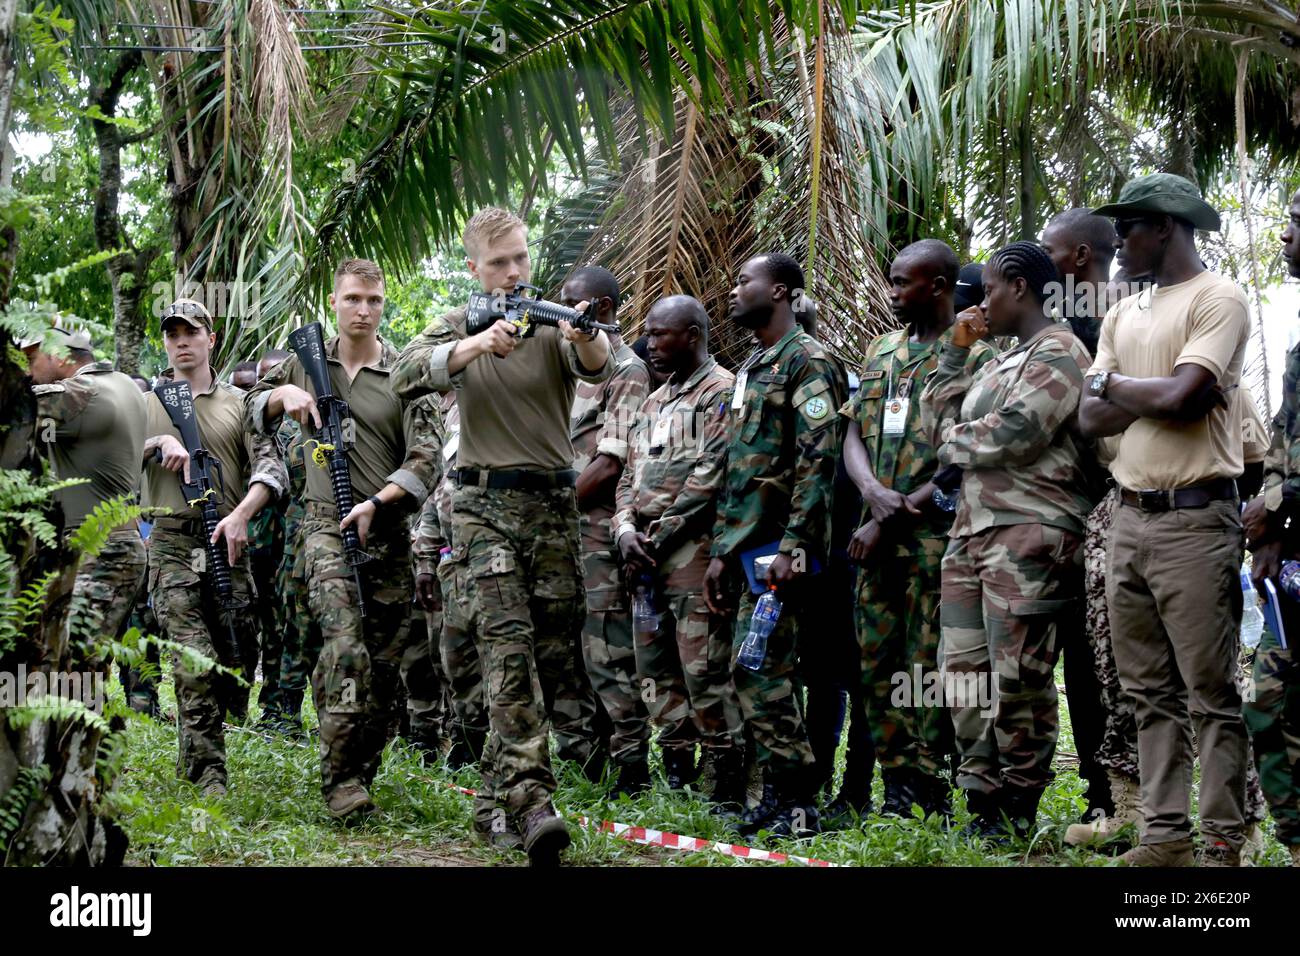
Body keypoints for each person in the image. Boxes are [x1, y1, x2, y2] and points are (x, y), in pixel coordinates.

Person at [390, 207, 612, 865]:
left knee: (546, 651)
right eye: (498, 264)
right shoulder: (460, 323)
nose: (513, 273)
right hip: (482, 507)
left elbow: (598, 364)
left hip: (552, 507)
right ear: (474, 269)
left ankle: (495, 798)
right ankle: (536, 802)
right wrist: (473, 347)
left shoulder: (550, 318)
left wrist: (581, 334)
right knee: (506, 650)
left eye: (520, 258)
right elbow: (404, 374)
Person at [1079, 173, 1251, 866]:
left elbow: (1184, 395)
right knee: (1146, 690)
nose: (1118, 242)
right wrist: (1145, 392)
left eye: (1129, 228)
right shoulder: (1123, 314)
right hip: (1129, 519)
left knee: (1210, 692)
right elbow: (1089, 416)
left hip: (1196, 521)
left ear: (1167, 227)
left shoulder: (1220, 299)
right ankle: (1165, 836)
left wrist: (1116, 386)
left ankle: (1220, 844)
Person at [245, 259, 439, 819]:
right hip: (324, 525)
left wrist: (381, 501)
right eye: (353, 298)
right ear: (334, 301)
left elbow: (428, 458)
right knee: (345, 649)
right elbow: (248, 409)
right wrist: (283, 396)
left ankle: (361, 768)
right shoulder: (303, 363)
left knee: (382, 665)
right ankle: (340, 783)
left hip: (387, 529)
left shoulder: (405, 372)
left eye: (374, 301)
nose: (364, 310)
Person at [921, 241, 1093, 840]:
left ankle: (1018, 803)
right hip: (971, 532)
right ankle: (981, 800)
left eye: (990, 288)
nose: (981, 302)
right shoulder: (995, 361)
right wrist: (956, 353)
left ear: (1019, 287)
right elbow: (932, 422)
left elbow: (1019, 433)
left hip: (1030, 531)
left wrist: (954, 440)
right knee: (962, 672)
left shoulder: (1063, 351)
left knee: (1016, 672)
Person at [842, 240, 996, 820]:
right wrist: (873, 495)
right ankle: (897, 781)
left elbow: (970, 450)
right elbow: (851, 431)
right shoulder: (882, 349)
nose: (893, 293)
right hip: (874, 532)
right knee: (877, 660)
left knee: (929, 663)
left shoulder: (977, 354)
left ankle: (931, 781)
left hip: (936, 538)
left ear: (937, 285)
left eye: (903, 283)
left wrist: (901, 506)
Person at [704, 252, 846, 838]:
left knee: (761, 671)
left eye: (745, 282)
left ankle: (796, 800)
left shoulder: (808, 361)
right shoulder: (755, 365)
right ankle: (786, 795)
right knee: (755, 669)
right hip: (745, 548)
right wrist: (718, 552)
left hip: (782, 551)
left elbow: (819, 460)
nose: (734, 290)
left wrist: (796, 545)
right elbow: (737, 470)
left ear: (781, 292)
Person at [142, 298, 287, 798]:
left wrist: (242, 514)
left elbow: (272, 468)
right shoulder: (148, 401)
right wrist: (159, 441)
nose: (181, 341)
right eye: (172, 333)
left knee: (236, 660)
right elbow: (112, 456)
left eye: (191, 332)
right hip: (172, 544)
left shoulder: (238, 403)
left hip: (228, 545)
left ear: (211, 339)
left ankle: (194, 749)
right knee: (193, 660)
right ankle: (210, 773)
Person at [614, 295, 745, 801]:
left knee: (703, 668)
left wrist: (656, 535)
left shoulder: (723, 392)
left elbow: (710, 475)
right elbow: (627, 476)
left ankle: (726, 782)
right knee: (655, 667)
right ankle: (675, 771)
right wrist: (625, 530)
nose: (649, 344)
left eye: (660, 333)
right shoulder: (652, 400)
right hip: (643, 556)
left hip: (692, 552)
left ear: (692, 335)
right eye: (647, 333)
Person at [1039, 208, 1120, 825]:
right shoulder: (1060, 326)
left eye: (1051, 250)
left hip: (1117, 508)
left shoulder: (1119, 320)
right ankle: (1101, 794)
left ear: (1081, 259)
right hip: (1071, 516)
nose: (1043, 261)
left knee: (1108, 667)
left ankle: (1118, 797)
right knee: (1082, 663)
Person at [565, 266, 653, 790]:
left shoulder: (628, 369)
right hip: (561, 529)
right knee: (568, 647)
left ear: (600, 307)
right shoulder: (566, 363)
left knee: (607, 648)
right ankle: (583, 754)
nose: (560, 310)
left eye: (571, 302)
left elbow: (610, 464)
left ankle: (631, 764)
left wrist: (553, 505)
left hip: (596, 530)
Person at [22, 317, 148, 672]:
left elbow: (17, 408)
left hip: (100, 551)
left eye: (32, 361)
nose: (29, 373)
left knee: (72, 666)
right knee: (84, 666)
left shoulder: (81, 395)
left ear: (61, 356)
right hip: (114, 546)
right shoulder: (124, 385)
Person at [1240, 185, 1300, 867]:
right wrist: (1273, 526)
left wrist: (1286, 502)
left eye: (1294, 225)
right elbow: (1285, 442)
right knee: (1268, 703)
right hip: (1290, 566)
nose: (1284, 237)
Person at [245, 348, 292, 727]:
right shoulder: (249, 426)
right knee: (248, 623)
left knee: (282, 627)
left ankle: (277, 706)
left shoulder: (303, 425)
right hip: (250, 542)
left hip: (288, 543)